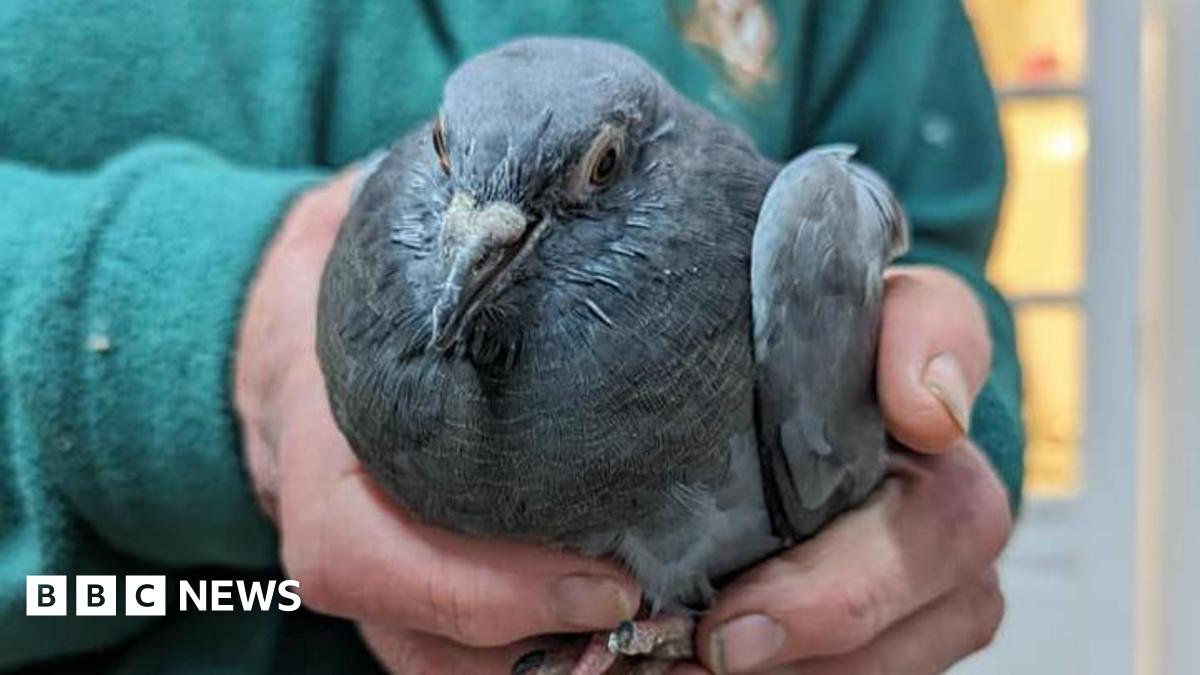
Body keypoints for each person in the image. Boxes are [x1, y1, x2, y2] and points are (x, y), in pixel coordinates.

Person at [0, 1, 1022, 673]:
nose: (473, 244)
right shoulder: (425, 223)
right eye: (449, 162)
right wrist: (167, 333)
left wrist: (936, 430)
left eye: (601, 172)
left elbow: (934, 246)